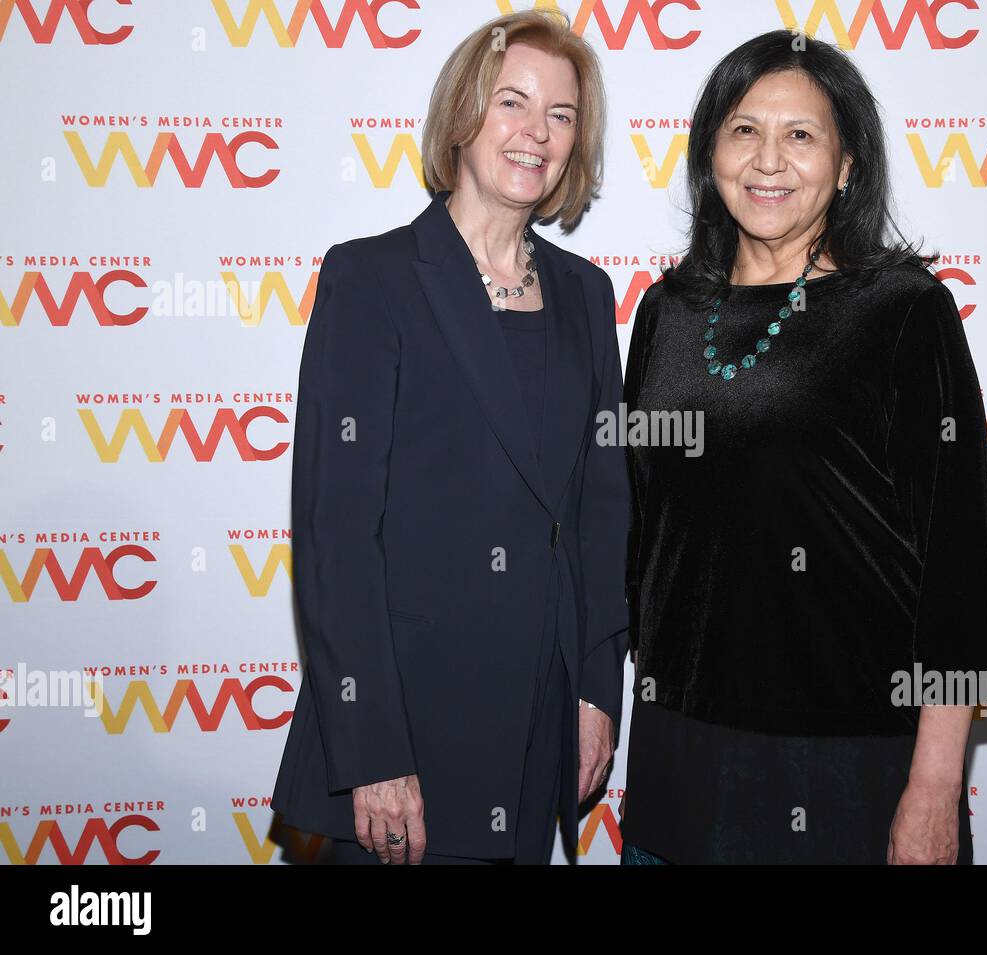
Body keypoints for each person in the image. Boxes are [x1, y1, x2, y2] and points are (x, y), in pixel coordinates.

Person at [619, 31, 987, 865]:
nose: (769, 160)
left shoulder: (903, 313)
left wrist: (936, 787)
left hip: (849, 763)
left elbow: (959, 570)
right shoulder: (668, 312)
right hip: (678, 752)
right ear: (710, 152)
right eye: (743, 129)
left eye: (801, 134)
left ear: (845, 165)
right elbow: (639, 533)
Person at [271, 9, 629, 865]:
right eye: (513, 102)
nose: (535, 133)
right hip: (408, 737)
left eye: (561, 115)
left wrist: (594, 690)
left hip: (538, 728)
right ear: (463, 115)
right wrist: (374, 752)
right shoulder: (373, 278)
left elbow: (601, 511)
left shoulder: (587, 295)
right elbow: (336, 536)